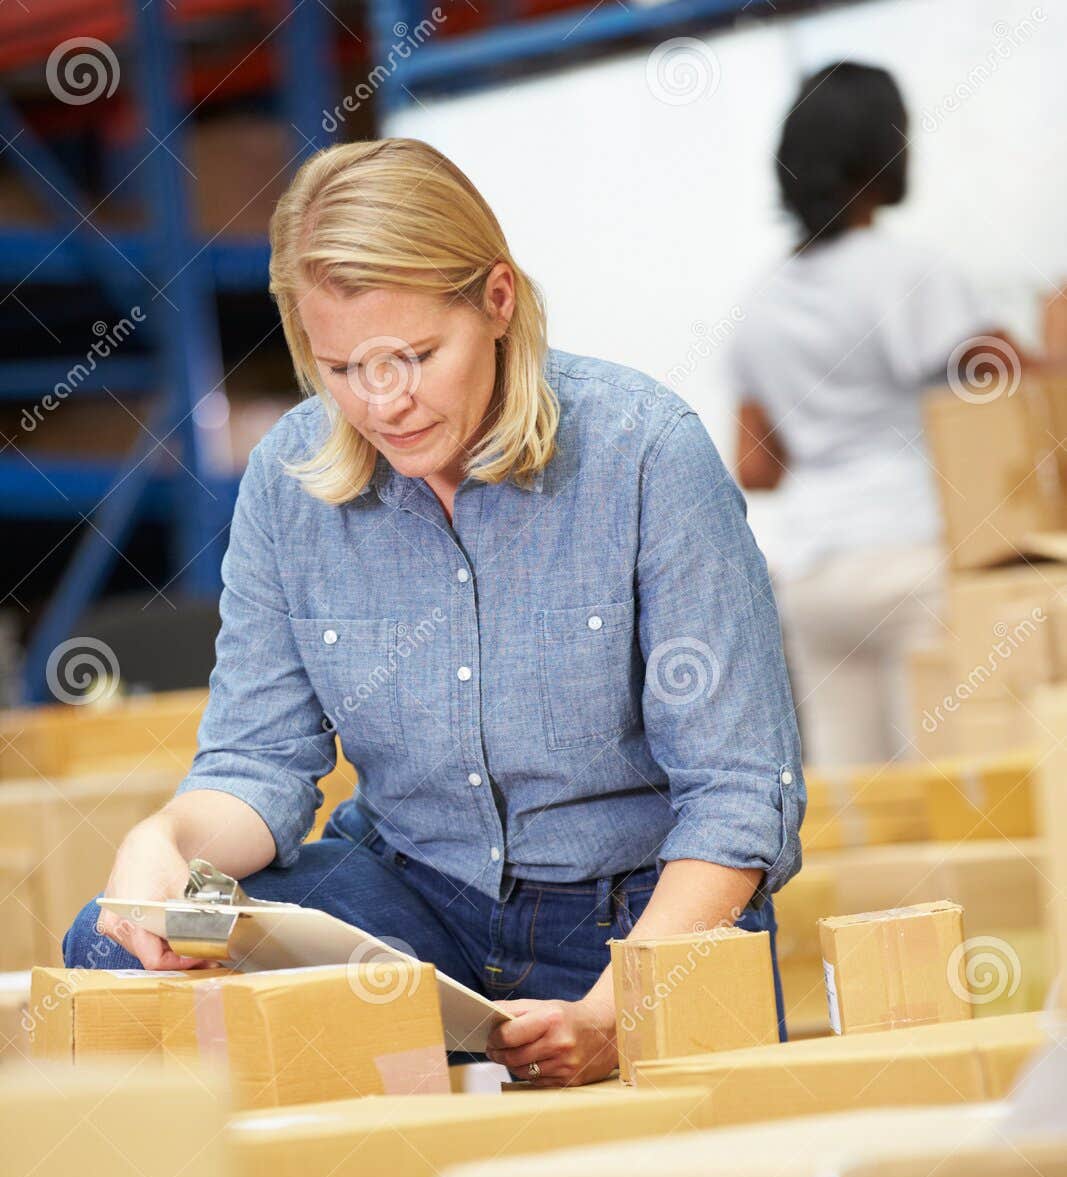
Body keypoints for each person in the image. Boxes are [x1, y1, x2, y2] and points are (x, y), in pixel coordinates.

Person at [63, 137, 804, 1086]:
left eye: (416, 355)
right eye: (342, 368)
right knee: (114, 944)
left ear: (496, 301)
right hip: (415, 902)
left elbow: (739, 796)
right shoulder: (290, 486)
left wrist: (623, 1005)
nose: (385, 402)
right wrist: (157, 842)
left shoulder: (645, 455)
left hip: (637, 917)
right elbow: (259, 764)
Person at [728, 62, 1027, 766]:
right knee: (955, 786)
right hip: (913, 555)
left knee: (857, 809)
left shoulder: (760, 299)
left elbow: (756, 468)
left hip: (813, 579)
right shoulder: (909, 272)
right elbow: (1016, 387)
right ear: (884, 153)